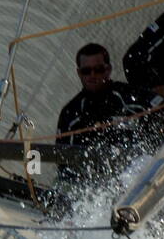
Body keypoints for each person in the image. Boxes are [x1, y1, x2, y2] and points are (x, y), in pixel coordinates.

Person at [55, 43, 150, 191]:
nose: (92, 75)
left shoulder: (132, 98)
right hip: (92, 187)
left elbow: (157, 136)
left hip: (136, 180)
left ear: (108, 70)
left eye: (98, 70)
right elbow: (64, 164)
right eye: (86, 71)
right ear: (79, 73)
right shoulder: (70, 113)